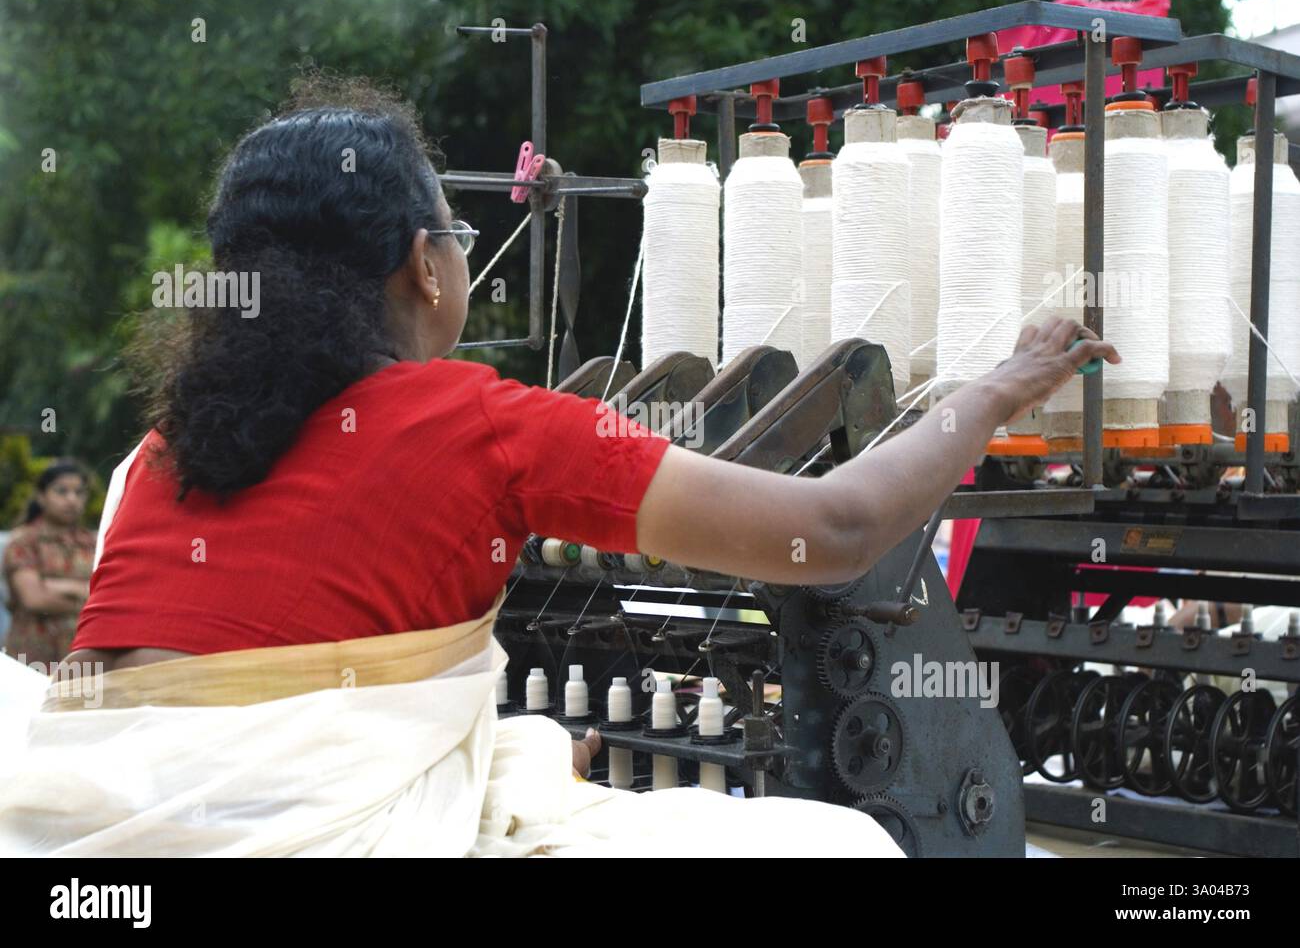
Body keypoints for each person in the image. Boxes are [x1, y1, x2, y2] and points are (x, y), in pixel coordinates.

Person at [0, 76, 1117, 857]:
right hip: (316, 839)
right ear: (418, 267)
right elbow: (830, 533)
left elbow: (232, 684)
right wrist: (993, 389)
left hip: (90, 831)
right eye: (455, 237)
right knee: (832, 850)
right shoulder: (481, 424)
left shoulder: (156, 459)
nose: (457, 260)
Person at [2, 460, 95, 667]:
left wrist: (56, 585)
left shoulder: (93, 543)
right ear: (41, 496)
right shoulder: (24, 542)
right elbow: (34, 599)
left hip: (82, 658)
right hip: (32, 659)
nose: (72, 499)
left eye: (79, 492)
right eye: (61, 491)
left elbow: (110, 595)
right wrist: (86, 596)